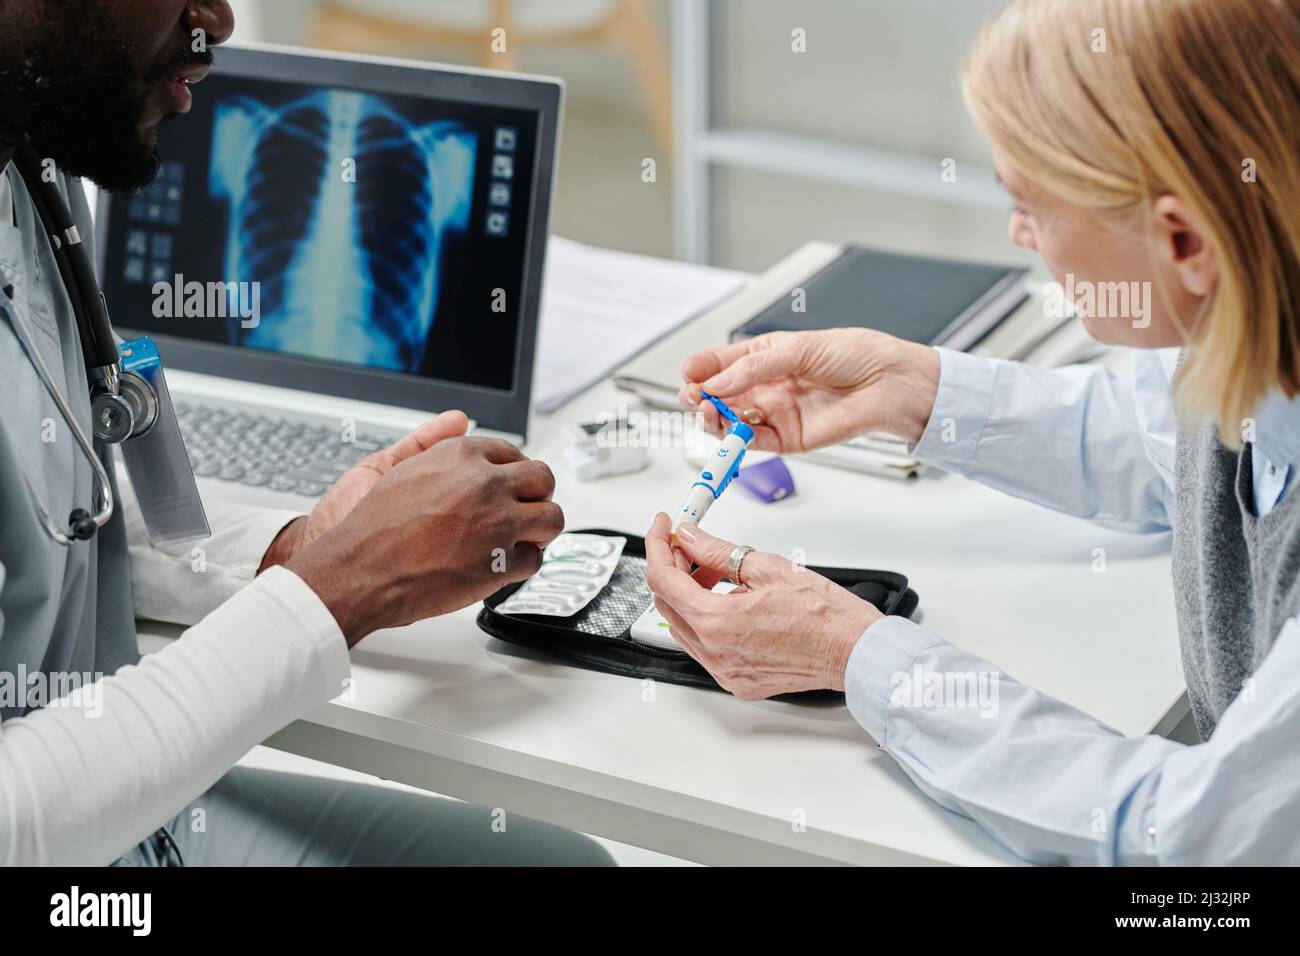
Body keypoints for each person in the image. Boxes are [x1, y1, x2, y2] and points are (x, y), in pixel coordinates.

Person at [646, 0, 1300, 865]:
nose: (1017, 233)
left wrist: (855, 653)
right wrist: (907, 388)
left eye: (1029, 204)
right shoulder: (1245, 327)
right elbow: (1162, 446)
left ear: (1182, 240)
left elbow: (1185, 850)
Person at [0, 0, 611, 866]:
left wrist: (300, 549)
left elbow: (45, 520)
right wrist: (344, 586)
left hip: (104, 809)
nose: (220, 19)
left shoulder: (30, 166)